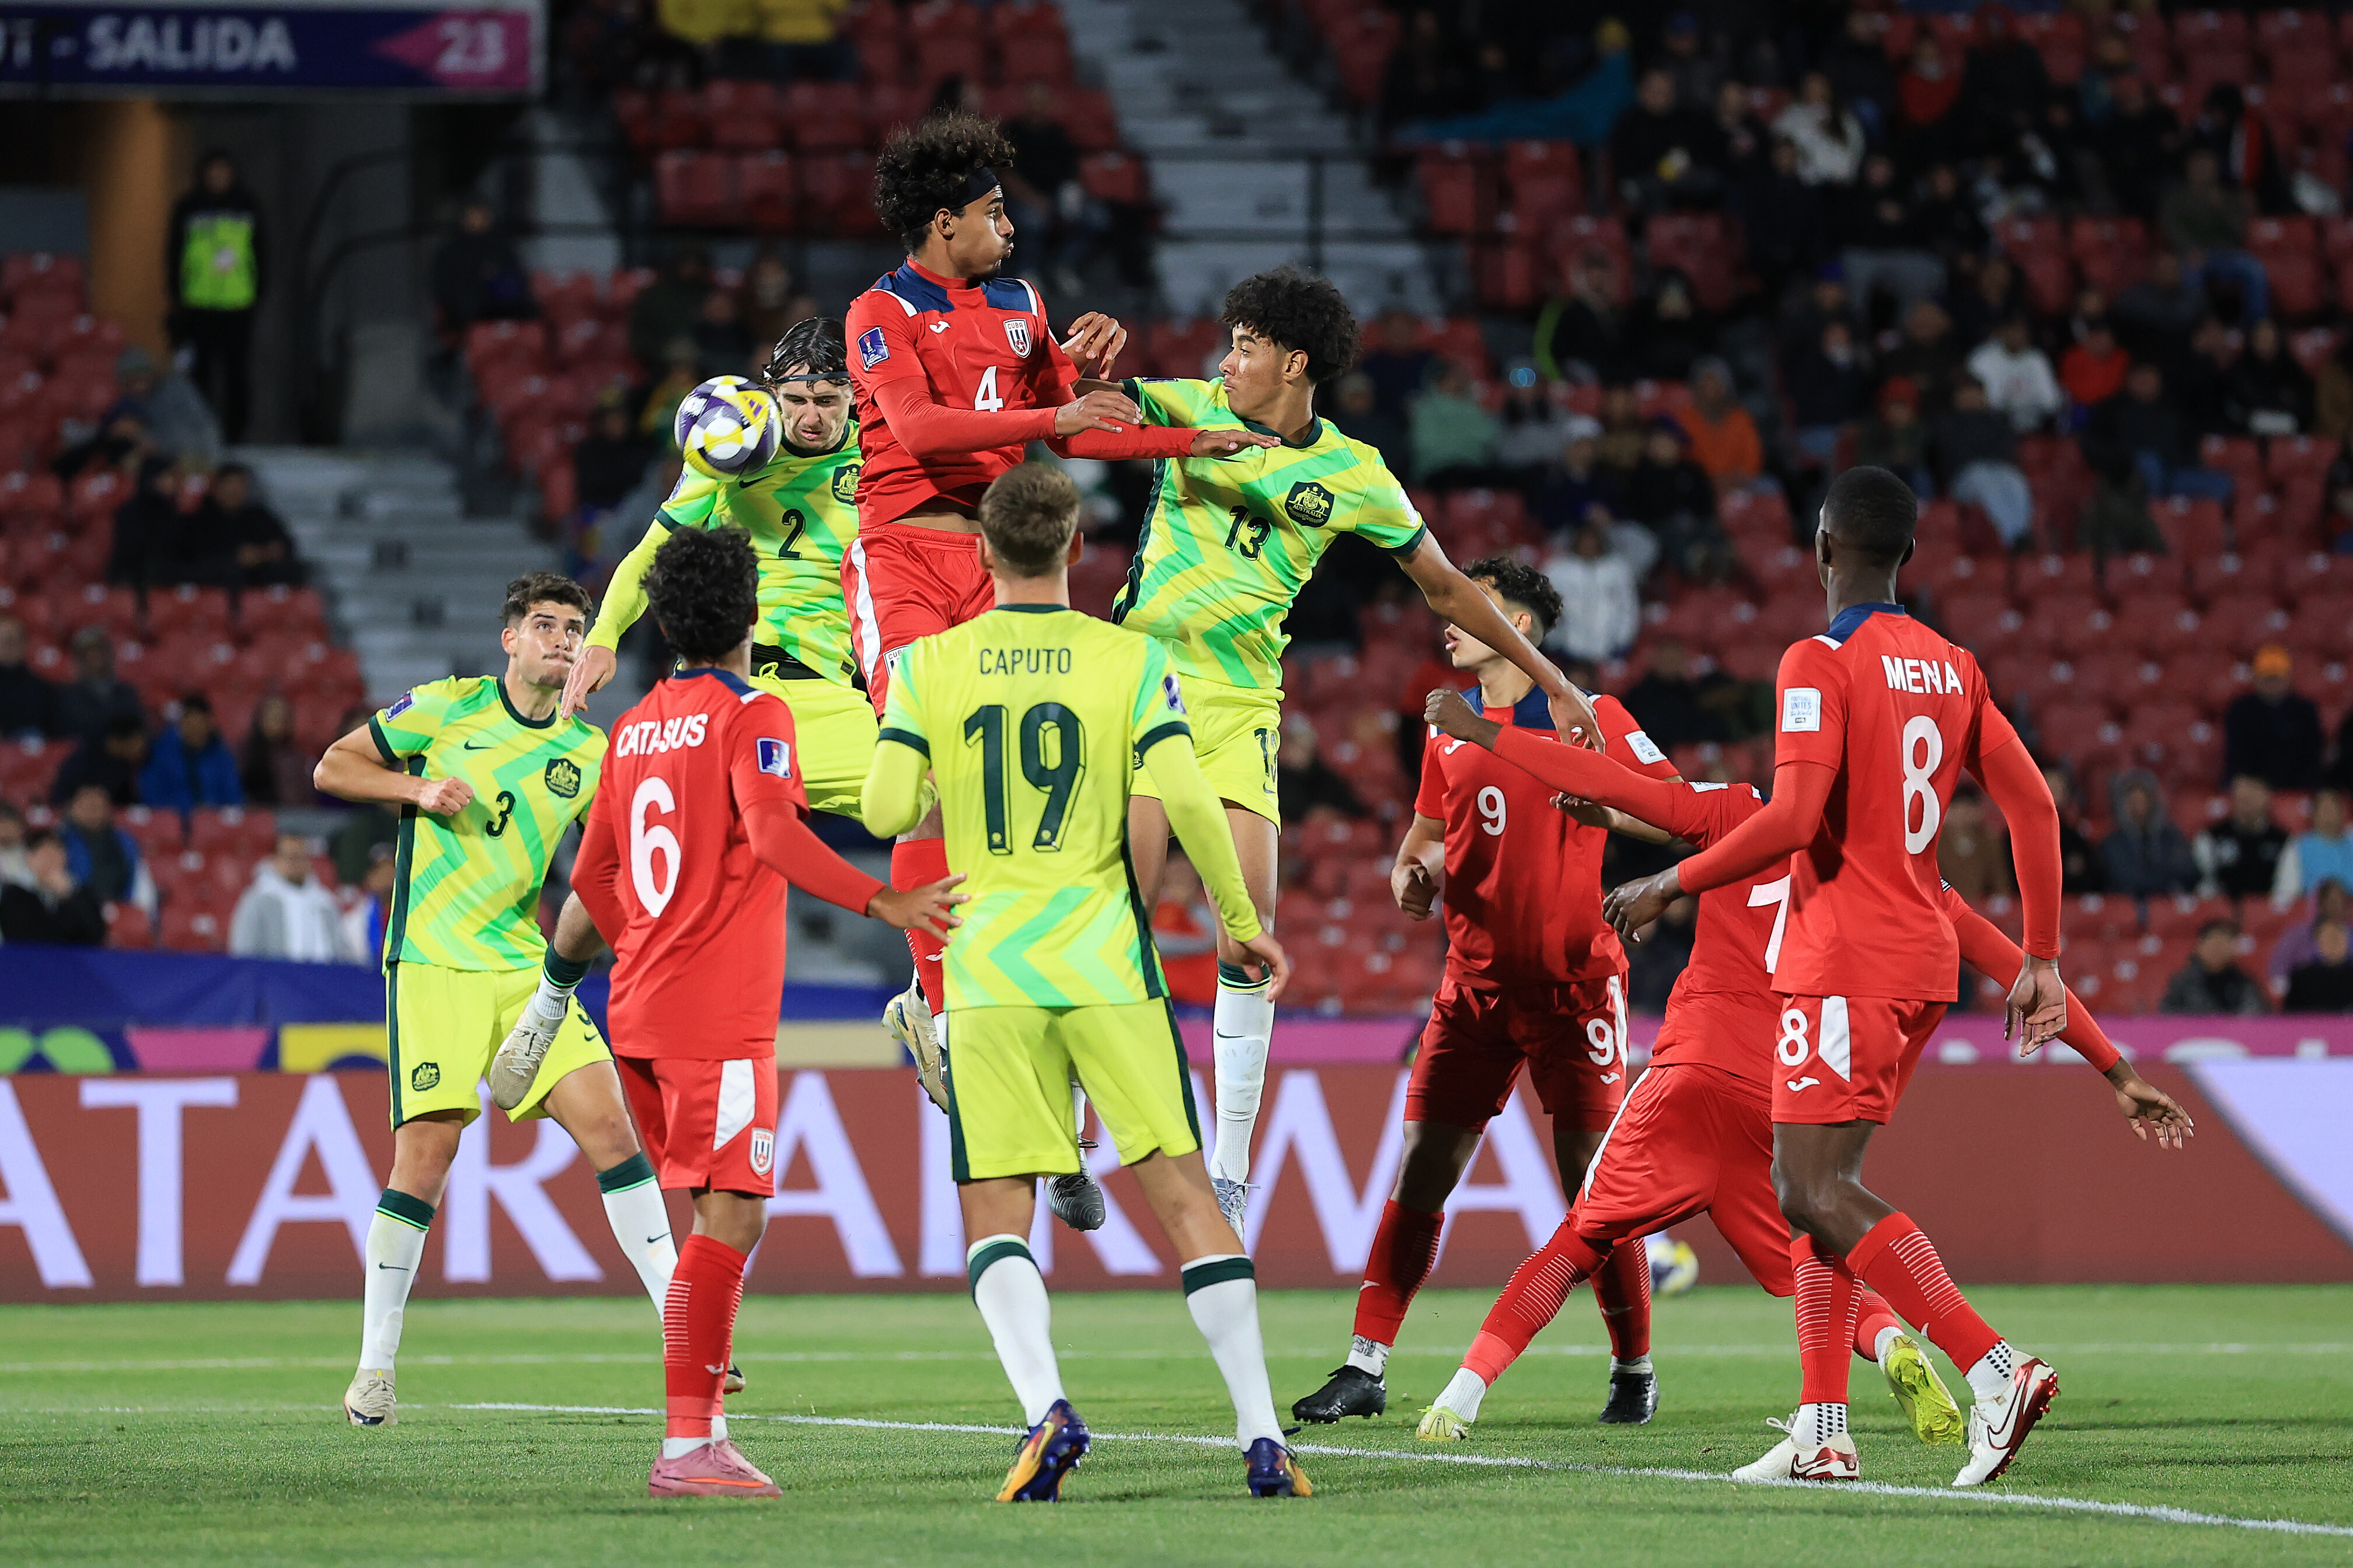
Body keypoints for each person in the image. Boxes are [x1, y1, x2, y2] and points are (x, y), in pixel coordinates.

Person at [1412, 684, 2188, 1440]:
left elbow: (1619, 782)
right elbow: (2014, 965)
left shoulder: (1737, 810)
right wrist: (2116, 1071)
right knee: (1814, 1245)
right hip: (1779, 1098)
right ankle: (1884, 1351)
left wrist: (1488, 736)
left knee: (1577, 1240)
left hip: (1687, 1076)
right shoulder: (1899, 873)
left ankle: (1458, 1396)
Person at [1604, 466, 2072, 1488]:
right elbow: (2033, 808)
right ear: (1907, 555)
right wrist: (2040, 957)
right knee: (1814, 1191)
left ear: (1820, 548)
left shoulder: (1819, 658)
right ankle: (1823, 1428)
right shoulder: (1955, 666)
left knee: (1811, 1189)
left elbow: (1789, 818)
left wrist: (1667, 883)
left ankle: (1995, 1365)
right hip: (1920, 964)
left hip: (1842, 961)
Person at [1108, 266, 1603, 1231]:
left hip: (1243, 706)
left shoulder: (1355, 473)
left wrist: (1554, 680)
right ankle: (1079, 1128)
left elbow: (1450, 587)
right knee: (1117, 918)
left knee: (1247, 937)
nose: (1227, 360)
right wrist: (1134, 415)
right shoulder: (1187, 405)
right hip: (1143, 687)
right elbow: (1077, 415)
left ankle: (1231, 1167)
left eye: (1245, 345)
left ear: (1293, 363)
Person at [860, 462, 1312, 1500]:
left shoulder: (930, 664)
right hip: (1110, 960)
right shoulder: (1132, 657)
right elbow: (1194, 805)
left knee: (996, 1207)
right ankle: (1260, 1434)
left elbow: (888, 811)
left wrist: (926, 762)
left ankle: (1046, 1409)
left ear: (980, 552)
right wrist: (1241, 927)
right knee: (1188, 1200)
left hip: (989, 971)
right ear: (1075, 550)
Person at [839, 111, 1253, 1169]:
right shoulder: (878, 312)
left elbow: (1077, 415)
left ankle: (1027, 1039)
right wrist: (1049, 419)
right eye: (991, 213)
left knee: (1021, 788)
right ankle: (938, 1011)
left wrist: (1177, 440)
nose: (1009, 229)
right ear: (942, 223)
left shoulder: (1024, 306)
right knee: (926, 776)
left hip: (997, 566)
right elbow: (924, 431)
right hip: (901, 560)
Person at [515, 528, 961, 1497]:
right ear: (753, 616)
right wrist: (881, 900)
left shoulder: (631, 727)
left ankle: (703, 1429)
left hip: (637, 1001)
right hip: (714, 1014)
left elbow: (590, 874)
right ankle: (687, 1447)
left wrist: (641, 937)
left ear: (664, 623)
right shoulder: (756, 711)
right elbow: (769, 830)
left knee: (715, 1216)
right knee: (736, 1216)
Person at [1292, 558, 1675, 1431]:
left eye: (1477, 606)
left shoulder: (1590, 718)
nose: (1450, 617)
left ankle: (1632, 1364)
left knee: (1592, 1183)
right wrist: (1410, 874)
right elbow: (1424, 838)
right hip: (1472, 986)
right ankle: (1364, 1363)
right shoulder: (1446, 728)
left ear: (1525, 628)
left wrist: (1610, 813)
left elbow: (1679, 810)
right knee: (1422, 1165)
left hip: (1573, 986)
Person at [311, 573, 674, 1430]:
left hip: (520, 961)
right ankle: (374, 1368)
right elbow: (332, 764)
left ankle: (685, 1324)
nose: (559, 638)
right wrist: (416, 791)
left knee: (612, 1126)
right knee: (425, 1157)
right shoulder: (445, 707)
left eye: (574, 628)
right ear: (509, 639)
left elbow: (605, 869)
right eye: (542, 625)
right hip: (433, 959)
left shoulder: (591, 752)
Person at [566, 320, 881, 822]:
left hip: (826, 692)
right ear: (773, 391)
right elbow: (652, 551)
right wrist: (604, 635)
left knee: (929, 794)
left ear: (855, 393)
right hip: (724, 676)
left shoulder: (882, 454)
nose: (810, 417)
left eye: (827, 400)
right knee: (634, 827)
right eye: (796, 399)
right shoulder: (731, 446)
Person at [168, 151, 264, 443]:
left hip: (238, 303)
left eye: (223, 172)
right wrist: (176, 295)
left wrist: (258, 292)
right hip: (199, 303)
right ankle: (201, 431)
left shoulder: (248, 207)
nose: (218, 179)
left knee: (237, 372)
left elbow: (262, 251)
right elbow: (174, 253)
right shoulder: (188, 208)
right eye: (213, 173)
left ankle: (237, 433)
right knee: (201, 374)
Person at [1933, 376, 2036, 551]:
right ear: (1956, 398)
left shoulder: (1999, 419)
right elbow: (1956, 456)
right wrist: (1982, 448)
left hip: (1998, 470)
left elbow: (2005, 452)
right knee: (1986, 484)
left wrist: (1976, 447)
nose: (1972, 397)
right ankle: (2013, 540)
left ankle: (2024, 534)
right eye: (1966, 393)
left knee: (2016, 482)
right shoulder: (1946, 423)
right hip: (1964, 477)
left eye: (1975, 393)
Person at [228, 830, 346, 962]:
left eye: (303, 858)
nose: (297, 864)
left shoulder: (325, 903)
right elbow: (244, 952)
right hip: (274, 979)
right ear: (275, 860)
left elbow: (340, 951)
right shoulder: (258, 900)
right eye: (291, 857)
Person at [2223, 645, 2326, 791]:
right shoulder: (2239, 711)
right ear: (2255, 678)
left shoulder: (2305, 710)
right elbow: (2237, 759)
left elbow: (2312, 758)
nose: (2272, 684)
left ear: (2288, 678)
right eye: (2267, 678)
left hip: (2298, 787)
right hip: (2254, 788)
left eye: (2276, 678)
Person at [186, 463, 301, 589]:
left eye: (240, 485)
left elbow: (285, 545)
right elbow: (195, 558)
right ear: (216, 487)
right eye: (230, 485)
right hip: (216, 588)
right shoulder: (199, 520)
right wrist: (234, 559)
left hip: (259, 585)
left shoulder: (259, 516)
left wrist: (265, 554)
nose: (235, 491)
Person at [429, 198, 533, 332]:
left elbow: (517, 279)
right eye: (474, 214)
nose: (479, 219)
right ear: (463, 218)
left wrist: (497, 279)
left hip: (499, 305)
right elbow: (442, 287)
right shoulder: (449, 251)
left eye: (483, 214)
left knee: (527, 309)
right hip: (465, 308)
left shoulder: (501, 247)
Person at [1542, 520, 1639, 662]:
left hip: (1608, 650)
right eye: (1584, 540)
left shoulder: (1617, 569)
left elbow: (1628, 608)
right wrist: (1555, 642)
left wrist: (1622, 641)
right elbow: (1546, 608)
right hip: (1568, 650)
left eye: (1592, 540)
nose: (1588, 545)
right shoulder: (1557, 569)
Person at [2100, 767, 2198, 897]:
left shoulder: (2170, 838)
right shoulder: (2113, 843)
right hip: (2125, 909)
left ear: (2152, 802)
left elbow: (2188, 871)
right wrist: (2161, 878)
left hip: (2166, 907)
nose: (2139, 808)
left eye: (2142, 800)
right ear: (2124, 806)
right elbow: (2122, 877)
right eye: (2133, 802)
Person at [59, 783, 154, 915]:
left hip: (122, 908)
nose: (92, 811)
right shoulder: (59, 841)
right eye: (87, 805)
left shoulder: (125, 841)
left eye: (97, 806)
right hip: (76, 912)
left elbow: (139, 881)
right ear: (73, 807)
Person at [0, 830, 106, 947]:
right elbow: (23, 936)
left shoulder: (81, 894)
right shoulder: (14, 894)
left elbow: (96, 935)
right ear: (28, 858)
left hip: (75, 961)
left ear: (66, 856)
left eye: (55, 851)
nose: (49, 859)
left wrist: (68, 895)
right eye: (42, 852)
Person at [139, 696, 245, 813]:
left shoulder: (223, 758)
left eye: (198, 722)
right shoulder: (162, 754)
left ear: (210, 722)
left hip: (213, 825)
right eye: (189, 722)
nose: (194, 728)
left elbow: (234, 799)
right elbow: (152, 795)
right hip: (174, 824)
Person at [1407, 358, 1501, 487]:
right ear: (1441, 380)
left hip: (1473, 468)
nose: (1459, 383)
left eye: (1462, 378)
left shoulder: (1473, 408)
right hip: (1436, 469)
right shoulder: (1424, 408)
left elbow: (1488, 437)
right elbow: (1424, 443)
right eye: (1454, 377)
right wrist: (1464, 438)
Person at [1966, 317, 2065, 434]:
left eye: (2020, 331)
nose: (2016, 336)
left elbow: (2052, 403)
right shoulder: (1982, 358)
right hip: (1991, 429)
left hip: (2034, 430)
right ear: (2001, 332)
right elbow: (1983, 403)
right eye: (2012, 330)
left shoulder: (2036, 359)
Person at [2197, 775, 2288, 901]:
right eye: (2242, 798)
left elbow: (2286, 888)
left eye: (2252, 795)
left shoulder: (2283, 840)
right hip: (2222, 910)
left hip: (2267, 912)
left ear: (2267, 797)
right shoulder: (2211, 837)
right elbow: (2205, 883)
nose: (2246, 801)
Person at [1675, 358, 1763, 486]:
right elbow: (1683, 459)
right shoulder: (1684, 419)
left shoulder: (1740, 418)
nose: (1709, 393)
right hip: (1698, 485)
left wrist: (1731, 480)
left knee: (1769, 486)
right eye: (1704, 387)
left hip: (1738, 485)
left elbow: (1753, 461)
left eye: (1715, 386)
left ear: (1726, 389)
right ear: (1695, 390)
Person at [1151, 854, 1222, 1005]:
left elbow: (1222, 938)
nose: (1181, 875)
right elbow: (1150, 943)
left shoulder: (1211, 900)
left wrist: (1191, 906)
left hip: (1204, 1002)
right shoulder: (1150, 900)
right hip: (1162, 997)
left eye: (1186, 869)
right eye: (1176, 869)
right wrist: (1201, 944)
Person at [2161, 919, 2268, 1015]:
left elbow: (2257, 1015)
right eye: (2214, 944)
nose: (2217, 952)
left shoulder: (2243, 983)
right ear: (2199, 947)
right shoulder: (2183, 983)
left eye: (2223, 945)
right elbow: (2168, 1017)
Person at [1273, 717, 1364, 825]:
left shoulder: (1325, 777)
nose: (1300, 750)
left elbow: (1353, 810)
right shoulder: (1275, 779)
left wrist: (1332, 815)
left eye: (1304, 744)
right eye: (1294, 744)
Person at [50, 714, 151, 808]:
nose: (141, 747)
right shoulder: (82, 763)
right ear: (117, 740)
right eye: (136, 742)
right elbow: (60, 800)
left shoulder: (124, 764)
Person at [2274, 790, 2353, 907]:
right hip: (2314, 916)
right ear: (2314, 815)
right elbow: (2285, 897)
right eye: (2325, 809)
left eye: (2334, 808)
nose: (2330, 814)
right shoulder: (2298, 846)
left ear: (2343, 812)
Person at [238, 693, 316, 806]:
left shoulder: (298, 759)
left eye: (282, 715)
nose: (278, 720)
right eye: (273, 714)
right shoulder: (243, 755)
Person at [0, 614, 59, 739]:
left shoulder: (41, 688)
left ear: (25, 644)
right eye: (5, 641)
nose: (10, 646)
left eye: (15, 640)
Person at [339, 844, 396, 965]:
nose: (387, 876)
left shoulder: (413, 914)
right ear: (369, 877)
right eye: (380, 871)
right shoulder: (353, 919)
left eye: (391, 869)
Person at [2282, 920, 2353, 1012]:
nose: (2333, 944)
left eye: (2336, 939)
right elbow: (2289, 1016)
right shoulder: (2301, 978)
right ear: (2318, 943)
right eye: (2328, 940)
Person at [0, 801, 33, 888]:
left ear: (20, 827)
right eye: (2, 827)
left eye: (9, 826)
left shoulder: (33, 852)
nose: (6, 832)